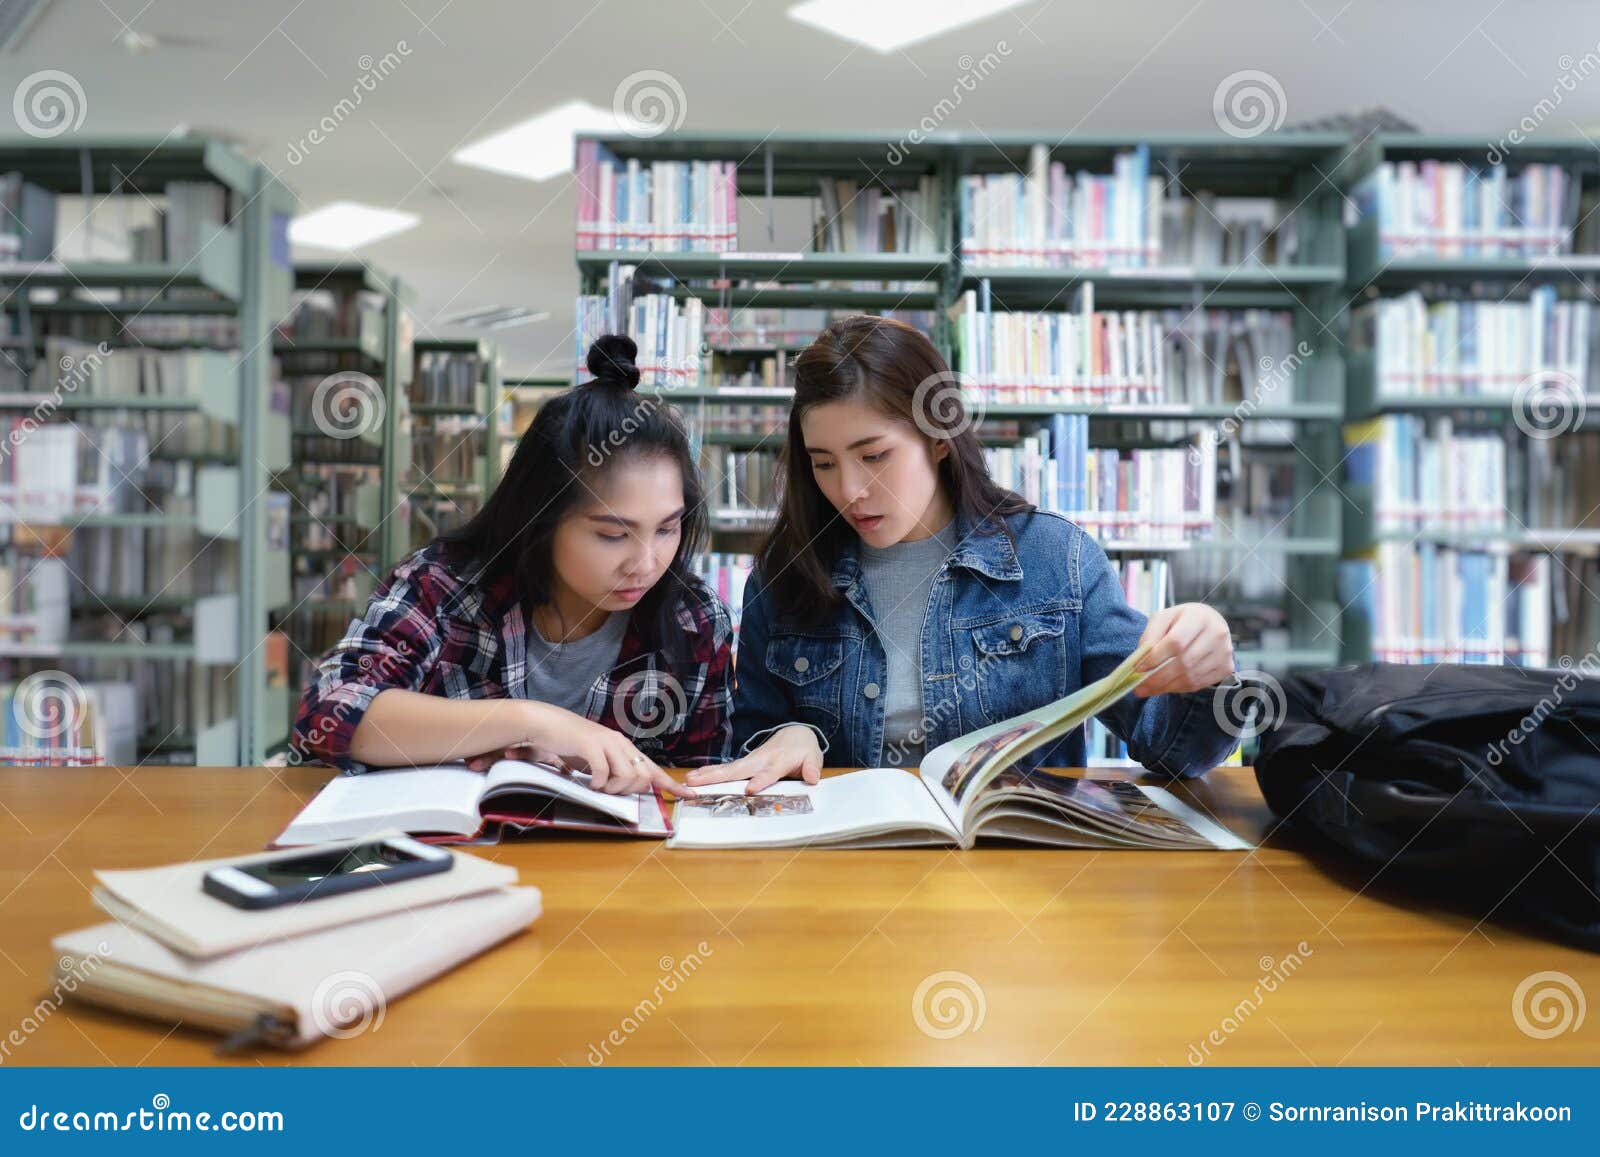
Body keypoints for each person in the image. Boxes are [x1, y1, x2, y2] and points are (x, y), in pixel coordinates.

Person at [690, 314, 1237, 796]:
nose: (849, 489)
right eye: (824, 462)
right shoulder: (786, 574)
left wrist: (1208, 673)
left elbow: (1173, 751)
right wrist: (787, 736)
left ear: (939, 436)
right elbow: (754, 733)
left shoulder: (1057, 562)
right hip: (847, 883)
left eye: (873, 455)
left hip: (1020, 884)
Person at [291, 334, 727, 796]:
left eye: (666, 529)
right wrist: (531, 722)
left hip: (618, 867)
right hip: (454, 857)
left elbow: (698, 790)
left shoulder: (694, 620)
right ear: (541, 518)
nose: (645, 563)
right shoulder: (446, 585)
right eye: (613, 534)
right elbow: (326, 713)